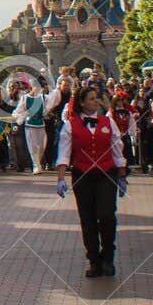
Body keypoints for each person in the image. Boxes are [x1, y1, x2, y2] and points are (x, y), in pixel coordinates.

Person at [55, 83, 127, 278]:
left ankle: (108, 258)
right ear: (81, 103)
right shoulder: (70, 125)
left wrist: (121, 175)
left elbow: (117, 149)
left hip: (106, 174)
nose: (96, 102)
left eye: (97, 98)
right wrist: (61, 178)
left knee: (106, 215)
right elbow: (64, 153)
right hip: (82, 176)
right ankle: (94, 261)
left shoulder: (108, 122)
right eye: (92, 99)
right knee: (88, 220)